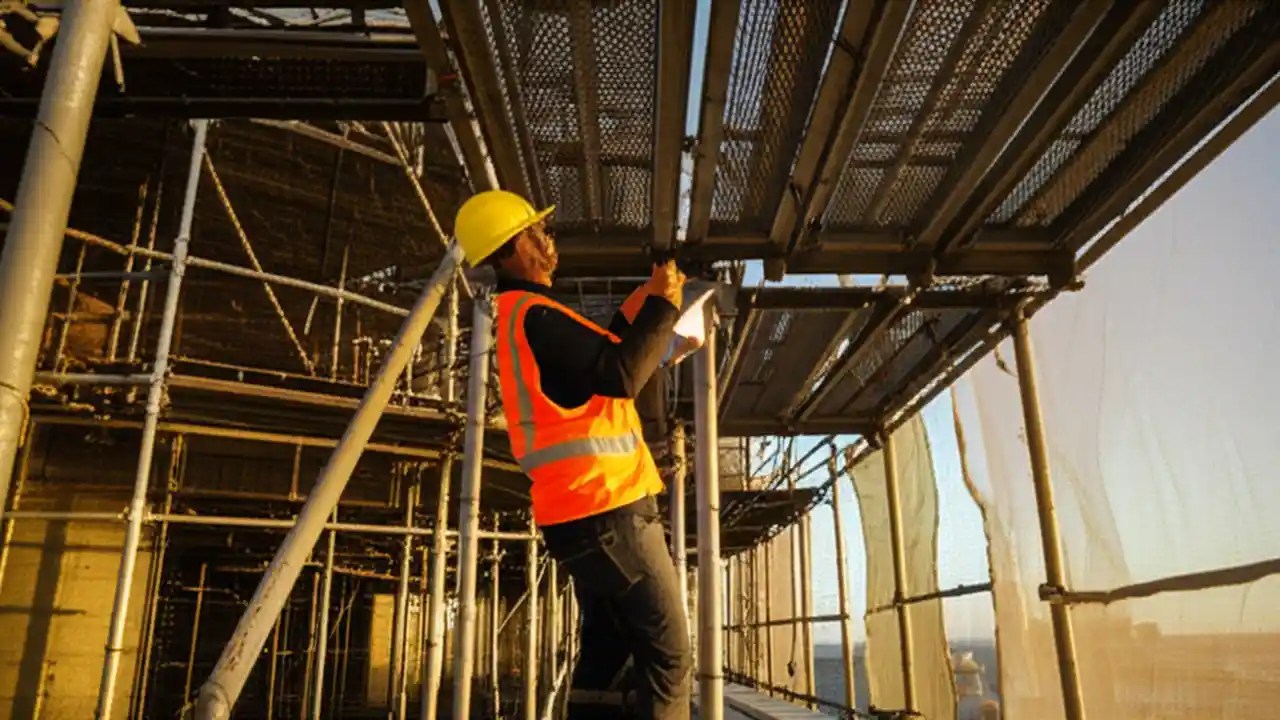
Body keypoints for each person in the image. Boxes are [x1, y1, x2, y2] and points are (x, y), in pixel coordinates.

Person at [453, 190, 693, 720]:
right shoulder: (535, 315)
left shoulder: (523, 317)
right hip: (611, 510)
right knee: (670, 658)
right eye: (539, 231)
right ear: (516, 246)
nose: (549, 239)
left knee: (606, 653)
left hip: (576, 521)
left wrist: (648, 303)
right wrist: (665, 307)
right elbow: (622, 374)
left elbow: (605, 355)